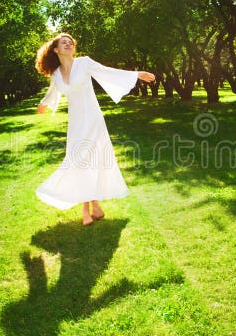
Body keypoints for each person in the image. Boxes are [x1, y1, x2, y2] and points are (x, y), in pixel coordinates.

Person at [34, 33, 155, 225]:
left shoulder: (84, 63)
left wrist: (137, 74)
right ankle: (95, 207)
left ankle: (85, 210)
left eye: (70, 42)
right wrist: (44, 103)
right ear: (55, 49)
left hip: (93, 119)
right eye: (63, 42)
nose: (68, 44)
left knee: (87, 160)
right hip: (76, 123)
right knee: (82, 162)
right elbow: (52, 91)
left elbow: (107, 71)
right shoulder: (56, 74)